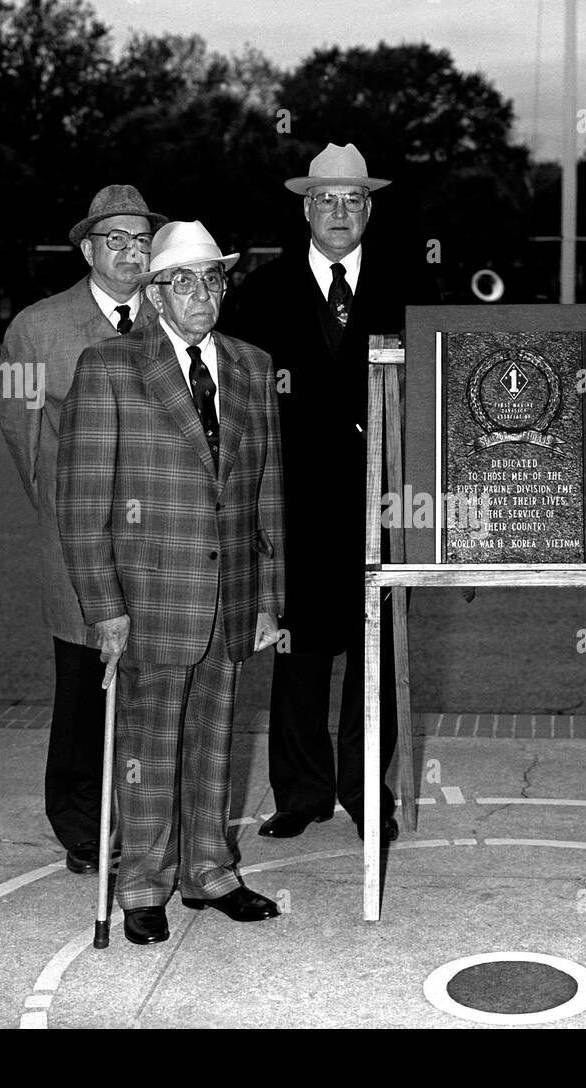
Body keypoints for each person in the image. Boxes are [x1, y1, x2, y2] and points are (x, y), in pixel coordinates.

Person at [56, 220, 285, 945]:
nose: (200, 294)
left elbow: (267, 492)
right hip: (150, 596)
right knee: (148, 749)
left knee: (215, 739)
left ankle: (209, 871)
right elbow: (83, 503)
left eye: (212, 279)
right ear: (155, 293)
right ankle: (142, 884)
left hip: (231, 593)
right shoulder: (110, 367)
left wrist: (269, 600)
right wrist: (105, 608)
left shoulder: (252, 366)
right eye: (182, 281)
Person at [221, 142, 432, 842]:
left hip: (385, 503)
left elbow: (434, 399)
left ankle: (368, 792)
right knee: (297, 653)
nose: (340, 212)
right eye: (327, 200)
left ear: (369, 209)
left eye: (353, 200)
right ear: (305, 208)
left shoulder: (411, 289)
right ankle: (301, 792)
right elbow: (240, 407)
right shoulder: (261, 293)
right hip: (291, 504)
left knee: (378, 652)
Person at [0, 184, 165, 874]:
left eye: (141, 240)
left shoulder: (173, 312)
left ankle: (150, 814)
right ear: (88, 249)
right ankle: (81, 824)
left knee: (156, 681)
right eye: (115, 240)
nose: (130, 253)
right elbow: (23, 438)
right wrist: (66, 515)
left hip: (160, 533)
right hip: (79, 532)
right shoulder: (38, 328)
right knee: (83, 681)